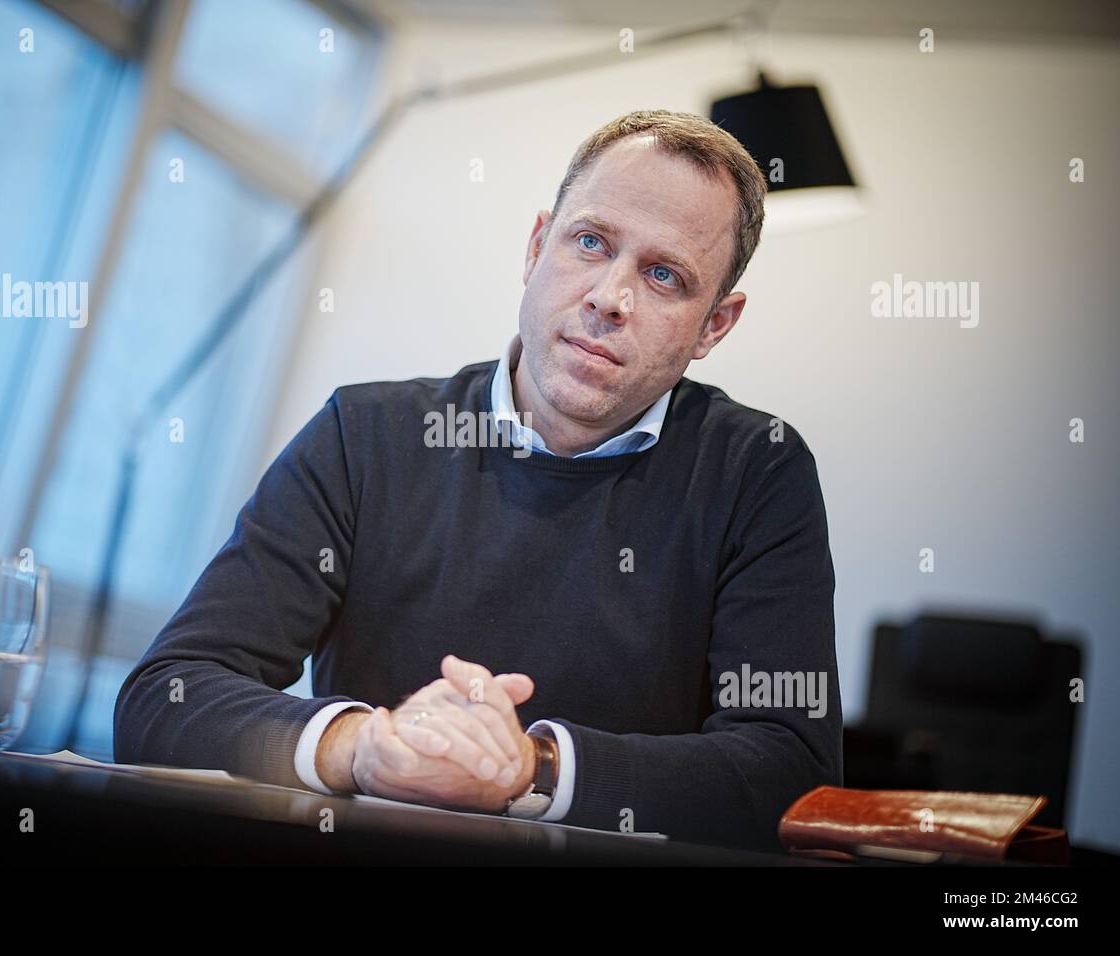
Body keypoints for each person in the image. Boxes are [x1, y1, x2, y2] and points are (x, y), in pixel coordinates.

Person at [113, 109, 842, 850]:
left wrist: (531, 768)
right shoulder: (365, 435)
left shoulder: (759, 470)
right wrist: (361, 746)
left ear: (714, 326)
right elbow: (164, 697)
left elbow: (789, 766)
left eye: (664, 276)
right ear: (536, 246)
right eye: (590, 242)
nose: (610, 298)